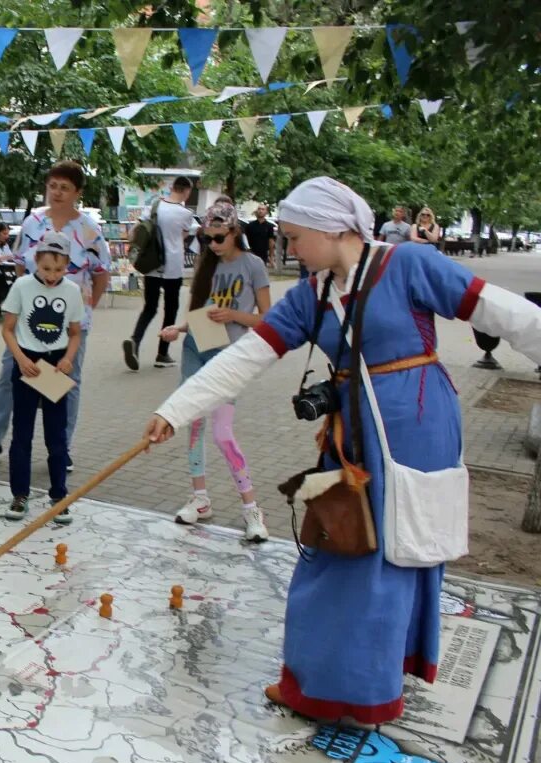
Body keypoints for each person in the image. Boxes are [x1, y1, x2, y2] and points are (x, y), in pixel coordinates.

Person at [142, 175, 541, 724]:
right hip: (351, 433)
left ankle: (359, 690)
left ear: (333, 229)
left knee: (388, 553)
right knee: (339, 545)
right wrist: (173, 411)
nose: (289, 247)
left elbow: (506, 314)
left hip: (416, 427)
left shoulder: (409, 265)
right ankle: (322, 682)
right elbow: (244, 359)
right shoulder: (311, 294)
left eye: (295, 236)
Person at [0, 161, 107, 469]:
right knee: (10, 377)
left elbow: (101, 273)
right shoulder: (33, 222)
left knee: (65, 382)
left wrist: (86, 307)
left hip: (68, 325)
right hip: (28, 323)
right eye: (53, 185)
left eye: (65, 188)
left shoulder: (89, 230)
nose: (57, 192)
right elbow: (20, 263)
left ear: (78, 192)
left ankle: (61, 447)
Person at [157, 198, 271, 542]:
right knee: (193, 426)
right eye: (207, 239)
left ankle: (251, 508)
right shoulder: (208, 266)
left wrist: (234, 315)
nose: (212, 245)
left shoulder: (253, 266)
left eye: (219, 238)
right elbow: (201, 314)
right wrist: (178, 329)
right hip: (197, 348)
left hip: (228, 358)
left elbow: (267, 319)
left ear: (236, 232)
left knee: (223, 434)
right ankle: (200, 498)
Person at [1, 230, 84, 523]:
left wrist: (67, 359)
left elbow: (75, 333)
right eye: (47, 268)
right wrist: (21, 359)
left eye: (59, 269)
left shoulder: (71, 291)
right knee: (22, 433)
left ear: (67, 267)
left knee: (56, 436)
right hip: (27, 362)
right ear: (36, 261)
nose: (52, 276)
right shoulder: (22, 286)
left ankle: (59, 495)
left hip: (52, 367)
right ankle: (19, 495)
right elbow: (7, 329)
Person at [124, 176, 196, 371]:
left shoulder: (154, 206)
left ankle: (135, 341)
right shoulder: (185, 214)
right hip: (173, 267)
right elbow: (183, 236)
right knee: (170, 310)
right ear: (186, 191)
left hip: (152, 264)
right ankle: (162, 353)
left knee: (150, 307)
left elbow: (137, 231)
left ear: (171, 187)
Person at [243, 203, 277, 268]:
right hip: (251, 254)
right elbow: (245, 241)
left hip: (263, 255)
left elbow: (271, 242)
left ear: (266, 212)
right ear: (256, 211)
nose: (260, 211)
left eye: (263, 209)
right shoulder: (250, 226)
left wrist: (271, 258)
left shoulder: (269, 226)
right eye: (259, 209)